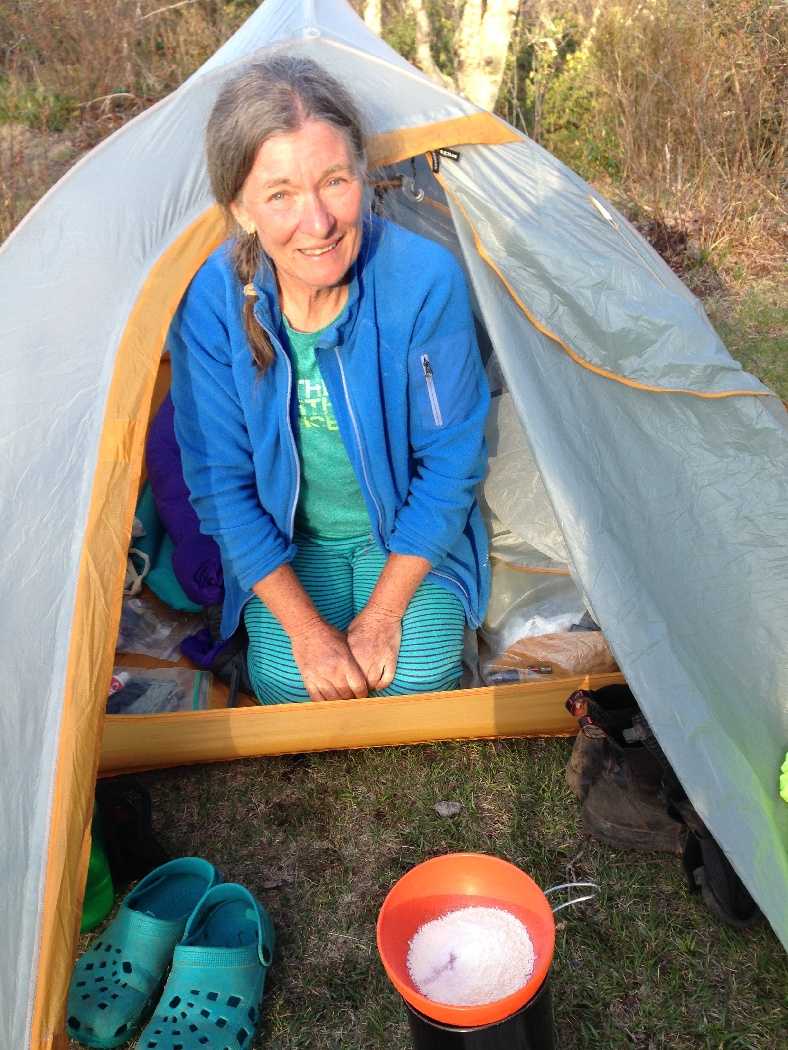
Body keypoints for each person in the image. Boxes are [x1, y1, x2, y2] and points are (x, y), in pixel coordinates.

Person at [168, 54, 490, 705]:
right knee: (291, 680)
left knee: (419, 676)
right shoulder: (212, 299)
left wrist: (382, 615)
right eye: (280, 194)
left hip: (402, 536)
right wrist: (308, 633)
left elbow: (452, 461)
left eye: (334, 182)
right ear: (242, 207)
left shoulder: (425, 280)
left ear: (366, 178)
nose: (317, 223)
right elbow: (221, 485)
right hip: (289, 546)